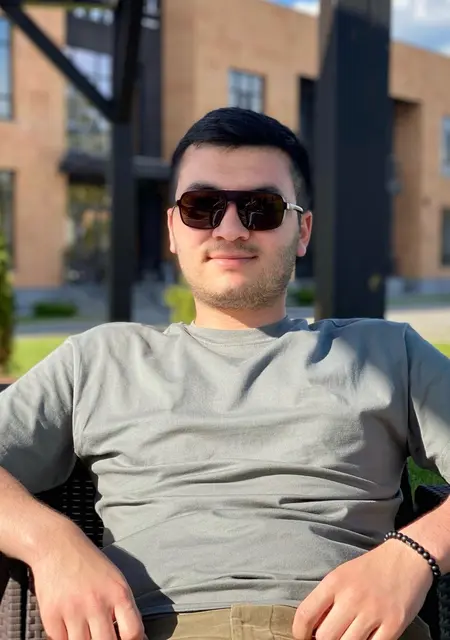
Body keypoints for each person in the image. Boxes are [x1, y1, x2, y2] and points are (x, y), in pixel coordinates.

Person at [0, 107, 449, 640]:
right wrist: (51, 544)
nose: (231, 229)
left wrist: (416, 553)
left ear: (302, 231)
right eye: (202, 207)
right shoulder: (98, 359)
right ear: (173, 229)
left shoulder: (386, 352)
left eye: (262, 208)